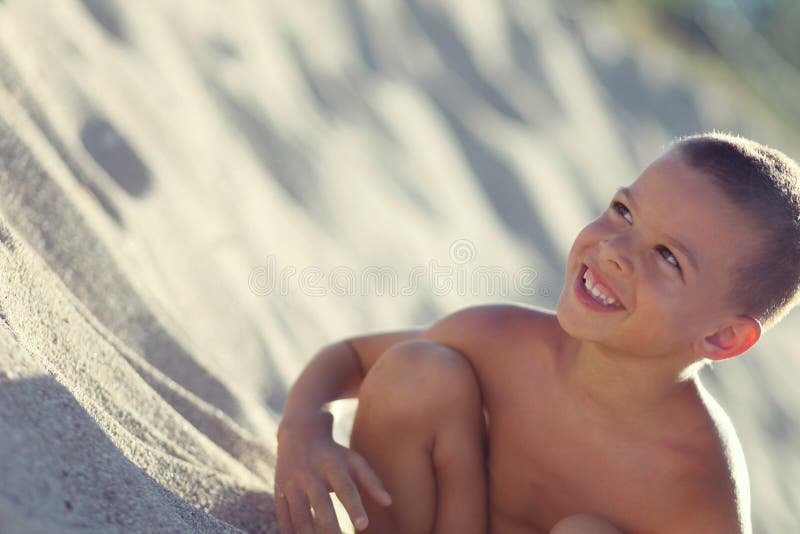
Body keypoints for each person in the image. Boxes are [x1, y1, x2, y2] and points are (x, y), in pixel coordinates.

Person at [273, 132, 800, 533]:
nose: (614, 249)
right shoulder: (504, 341)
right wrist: (303, 430)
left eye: (667, 257)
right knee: (416, 370)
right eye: (623, 211)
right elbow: (351, 359)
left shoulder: (695, 479)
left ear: (723, 339)